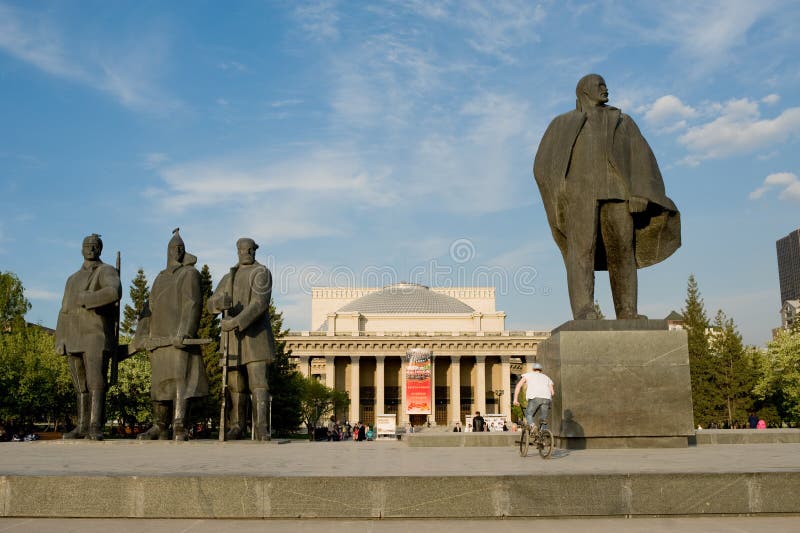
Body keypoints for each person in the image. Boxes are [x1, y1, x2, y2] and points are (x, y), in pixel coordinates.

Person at [533, 74, 680, 320]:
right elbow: (543, 166)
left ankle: (627, 311)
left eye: (605, 84)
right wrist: (561, 194)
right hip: (579, 197)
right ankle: (584, 310)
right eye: (598, 85)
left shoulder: (623, 122)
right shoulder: (562, 123)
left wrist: (640, 192)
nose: (605, 88)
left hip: (619, 195)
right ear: (583, 91)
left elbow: (641, 158)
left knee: (623, 251)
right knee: (581, 252)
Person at [135, 229, 209, 441]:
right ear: (167, 251)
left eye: (181, 248)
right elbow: (148, 307)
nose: (177, 251)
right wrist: (141, 334)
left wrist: (185, 331)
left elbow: (192, 303)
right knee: (159, 383)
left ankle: (179, 425)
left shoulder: (189, 274)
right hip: (158, 338)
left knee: (180, 381)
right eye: (173, 248)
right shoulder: (159, 277)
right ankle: (160, 426)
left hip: (177, 338)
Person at [208, 237, 276, 441]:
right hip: (232, 340)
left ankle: (261, 427)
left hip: (255, 337)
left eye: (249, 249)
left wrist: (236, 321)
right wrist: (219, 303)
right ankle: (236, 425)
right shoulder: (229, 276)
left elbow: (259, 303)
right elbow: (210, 303)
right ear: (237, 251)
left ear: (254, 251)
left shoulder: (261, 272)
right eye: (242, 250)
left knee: (258, 383)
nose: (246, 253)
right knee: (235, 385)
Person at [55, 234, 122, 440]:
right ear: (82, 249)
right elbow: (64, 310)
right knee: (80, 384)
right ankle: (82, 425)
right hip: (73, 335)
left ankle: (95, 425)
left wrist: (88, 299)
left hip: (96, 334)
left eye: (95, 246)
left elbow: (114, 292)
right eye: (87, 245)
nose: (91, 249)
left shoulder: (106, 270)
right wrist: (60, 338)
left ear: (100, 249)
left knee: (96, 381)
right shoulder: (72, 279)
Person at [513, 362, 554, 430]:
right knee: (543, 419)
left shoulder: (528, 375)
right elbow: (552, 392)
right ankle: (542, 434)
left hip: (535, 397)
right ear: (541, 370)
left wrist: (515, 399)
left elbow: (518, 386)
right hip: (547, 398)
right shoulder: (547, 377)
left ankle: (533, 426)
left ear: (533, 369)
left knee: (528, 414)